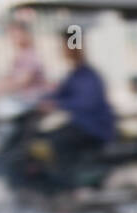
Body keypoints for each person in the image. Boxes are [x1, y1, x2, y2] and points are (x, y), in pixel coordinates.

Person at [36, 32, 116, 186]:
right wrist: (42, 100)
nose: (62, 50)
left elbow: (85, 102)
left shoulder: (88, 76)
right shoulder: (75, 74)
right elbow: (59, 93)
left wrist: (57, 105)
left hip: (93, 127)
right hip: (80, 123)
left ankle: (71, 187)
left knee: (58, 142)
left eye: (66, 46)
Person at [0, 20, 47, 104]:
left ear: (26, 34)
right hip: (22, 98)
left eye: (16, 34)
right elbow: (10, 78)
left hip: (31, 101)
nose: (12, 38)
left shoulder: (31, 56)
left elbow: (21, 82)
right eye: (11, 35)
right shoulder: (21, 55)